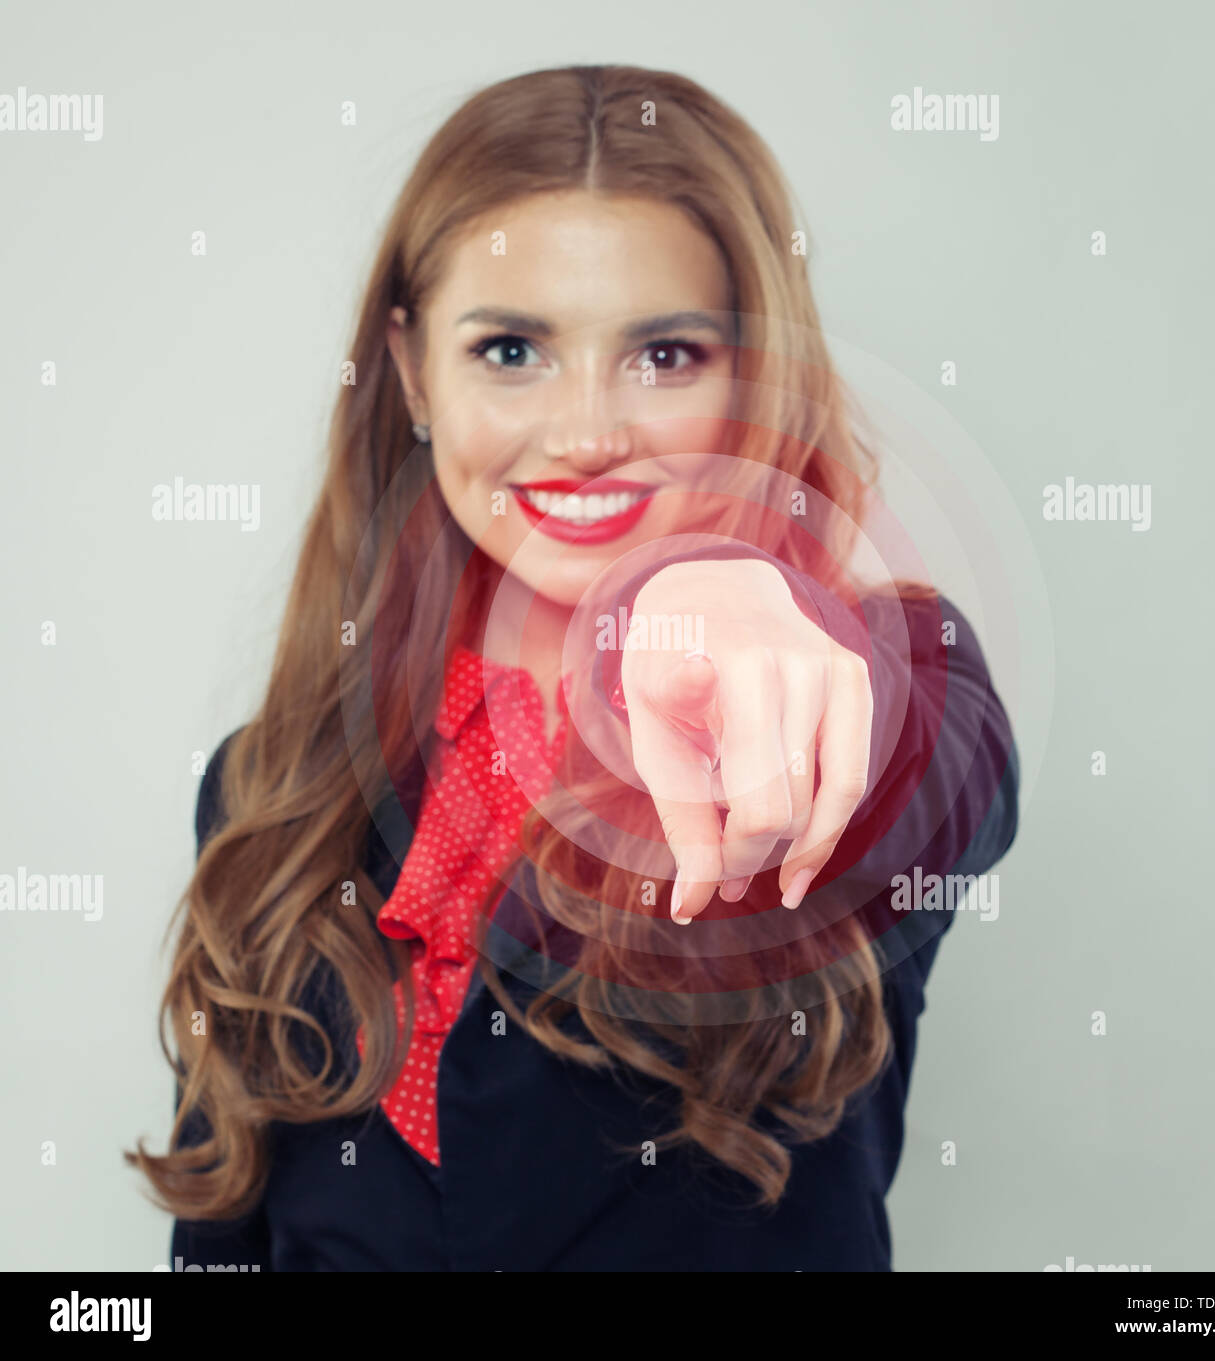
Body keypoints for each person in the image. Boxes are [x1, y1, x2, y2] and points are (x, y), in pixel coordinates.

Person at [127, 63, 1019, 1272]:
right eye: (509, 349)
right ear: (411, 372)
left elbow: (947, 757)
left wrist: (739, 594)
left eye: (665, 356)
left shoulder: (849, 688)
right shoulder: (272, 782)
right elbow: (218, 1230)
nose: (589, 432)